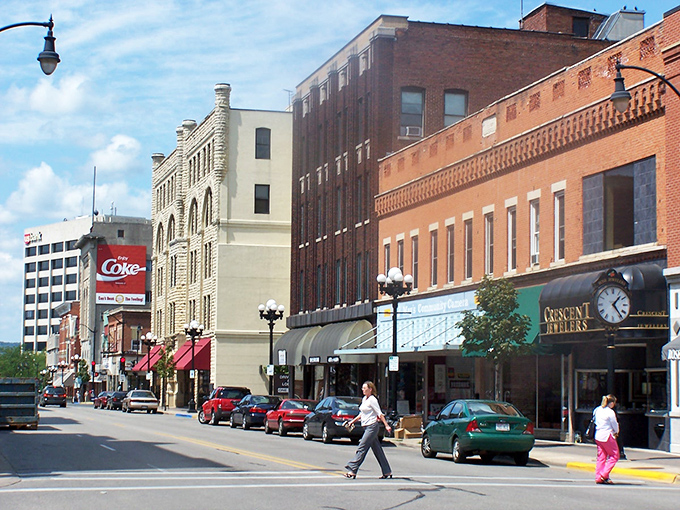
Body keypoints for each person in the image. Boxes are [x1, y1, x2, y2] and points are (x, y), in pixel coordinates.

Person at [344, 381, 392, 479]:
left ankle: (352, 469)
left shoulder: (372, 399)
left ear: (370, 389)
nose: (363, 390)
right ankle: (387, 471)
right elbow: (362, 414)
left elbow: (379, 413)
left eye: (364, 388)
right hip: (366, 426)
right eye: (362, 388)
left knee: (362, 447)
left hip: (372, 427)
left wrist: (386, 425)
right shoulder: (364, 399)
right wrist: (352, 421)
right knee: (378, 450)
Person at [593, 394, 620, 484]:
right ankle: (604, 475)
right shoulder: (610, 412)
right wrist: (616, 432)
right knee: (614, 455)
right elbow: (614, 424)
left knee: (601, 456)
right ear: (611, 403)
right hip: (607, 435)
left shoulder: (597, 410)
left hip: (598, 435)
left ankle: (598, 476)